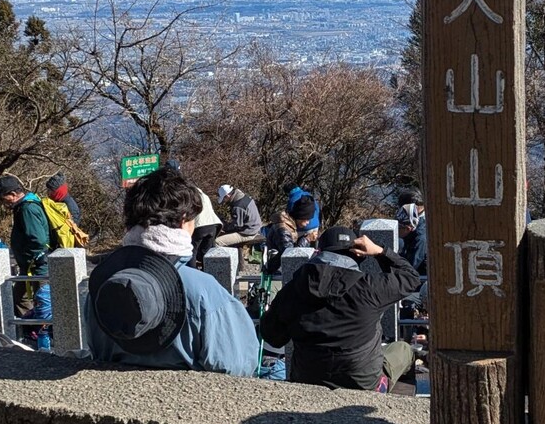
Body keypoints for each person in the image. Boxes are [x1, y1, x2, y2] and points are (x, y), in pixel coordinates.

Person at [86, 166, 260, 375]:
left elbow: (98, 353)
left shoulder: (100, 287)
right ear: (183, 221)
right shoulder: (205, 293)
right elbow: (238, 368)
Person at [260, 225, 421, 391]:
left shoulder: (294, 289)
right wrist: (380, 251)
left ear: (318, 252)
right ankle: (397, 402)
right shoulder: (370, 287)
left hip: (307, 379)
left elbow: (272, 337)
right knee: (404, 349)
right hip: (362, 383)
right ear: (358, 254)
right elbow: (411, 278)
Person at [0, 176, 53, 350]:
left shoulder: (27, 209)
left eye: (3, 198)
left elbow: (38, 239)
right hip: (30, 266)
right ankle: (31, 334)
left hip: (37, 266)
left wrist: (32, 258)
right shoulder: (26, 206)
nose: (2, 202)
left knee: (42, 302)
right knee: (21, 298)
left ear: (12, 194)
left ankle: (42, 338)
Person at [216, 184, 263, 251]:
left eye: (224, 199)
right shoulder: (244, 197)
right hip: (254, 228)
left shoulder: (238, 206)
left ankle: (226, 257)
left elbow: (237, 226)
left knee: (217, 242)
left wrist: (224, 227)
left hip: (248, 233)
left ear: (228, 196)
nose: (224, 201)